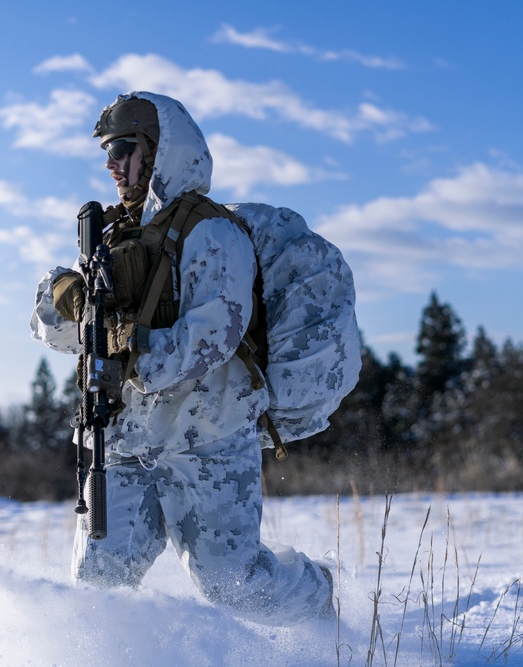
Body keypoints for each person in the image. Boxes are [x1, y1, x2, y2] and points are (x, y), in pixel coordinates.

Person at [30, 92, 334, 623]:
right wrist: (72, 302)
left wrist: (126, 347)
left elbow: (211, 337)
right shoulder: (109, 239)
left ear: (157, 152)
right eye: (108, 152)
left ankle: (317, 596)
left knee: (233, 584)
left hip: (207, 438)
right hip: (123, 442)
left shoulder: (209, 231)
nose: (111, 164)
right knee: (98, 583)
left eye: (123, 149)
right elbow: (50, 328)